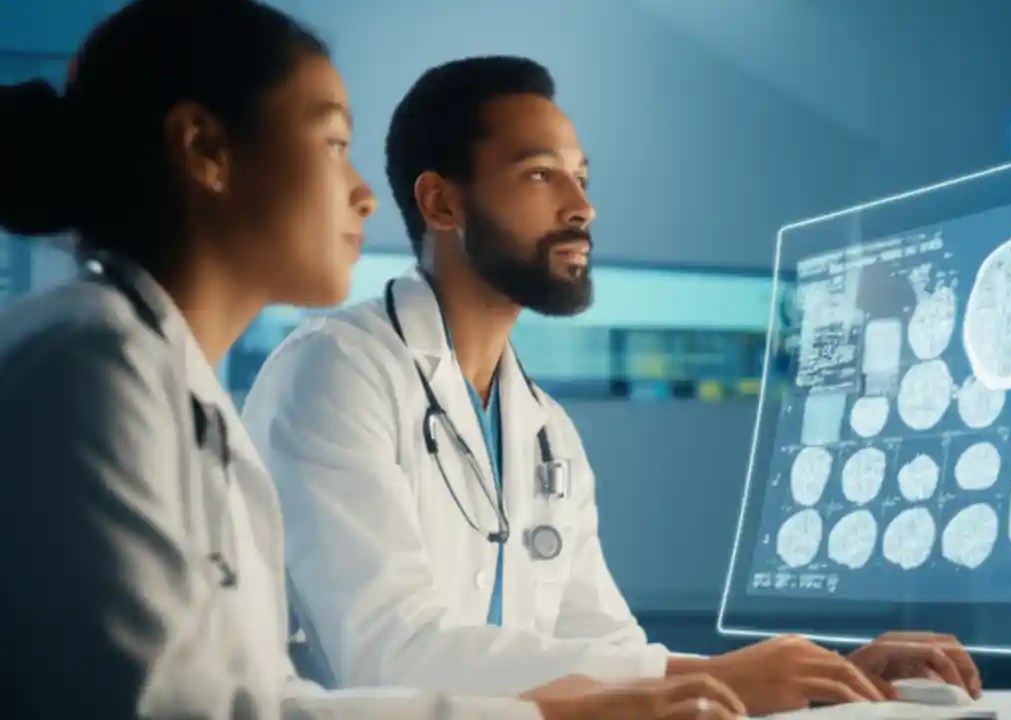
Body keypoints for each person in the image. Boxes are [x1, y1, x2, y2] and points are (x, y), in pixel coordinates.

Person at [0, 4, 747, 718]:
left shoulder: (166, 384)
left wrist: (700, 688)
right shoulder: (92, 366)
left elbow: (268, 702)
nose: (360, 193)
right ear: (203, 149)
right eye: (331, 145)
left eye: (582, 175)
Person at [242, 55, 983, 716]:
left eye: (582, 177)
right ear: (441, 203)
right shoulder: (337, 372)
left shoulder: (543, 429)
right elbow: (391, 655)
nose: (581, 206)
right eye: (540, 175)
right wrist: (740, 675)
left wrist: (828, 680)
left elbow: (610, 649)